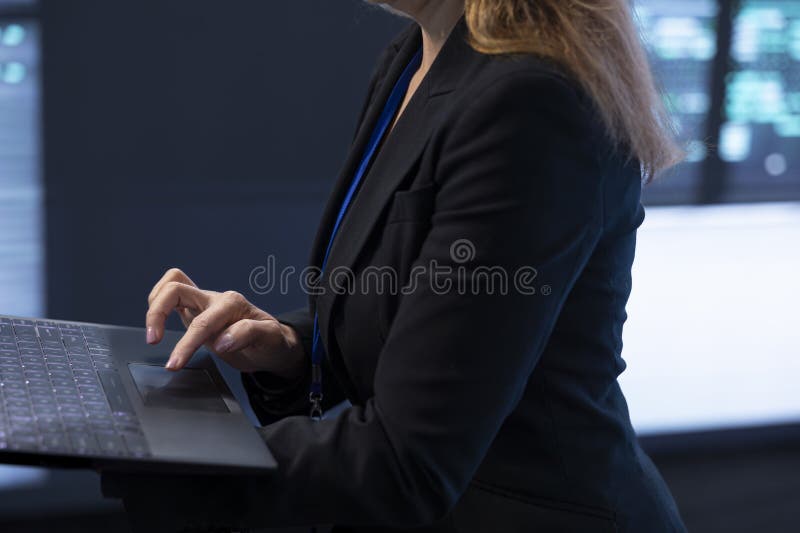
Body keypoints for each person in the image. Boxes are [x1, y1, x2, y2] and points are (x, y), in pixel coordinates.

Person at [113, 0, 688, 531]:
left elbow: (410, 461)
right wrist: (290, 347)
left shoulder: (531, 100)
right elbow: (419, 314)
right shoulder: (413, 60)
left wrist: (167, 457)